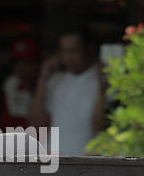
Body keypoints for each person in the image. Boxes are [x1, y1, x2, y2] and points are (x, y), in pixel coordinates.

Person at [29, 28, 105, 156]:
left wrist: (102, 89)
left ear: (89, 50)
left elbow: (100, 127)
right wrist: (42, 78)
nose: (68, 57)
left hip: (88, 161)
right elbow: (35, 125)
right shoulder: (54, 82)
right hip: (54, 160)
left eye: (74, 51)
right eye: (63, 51)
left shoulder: (101, 80)